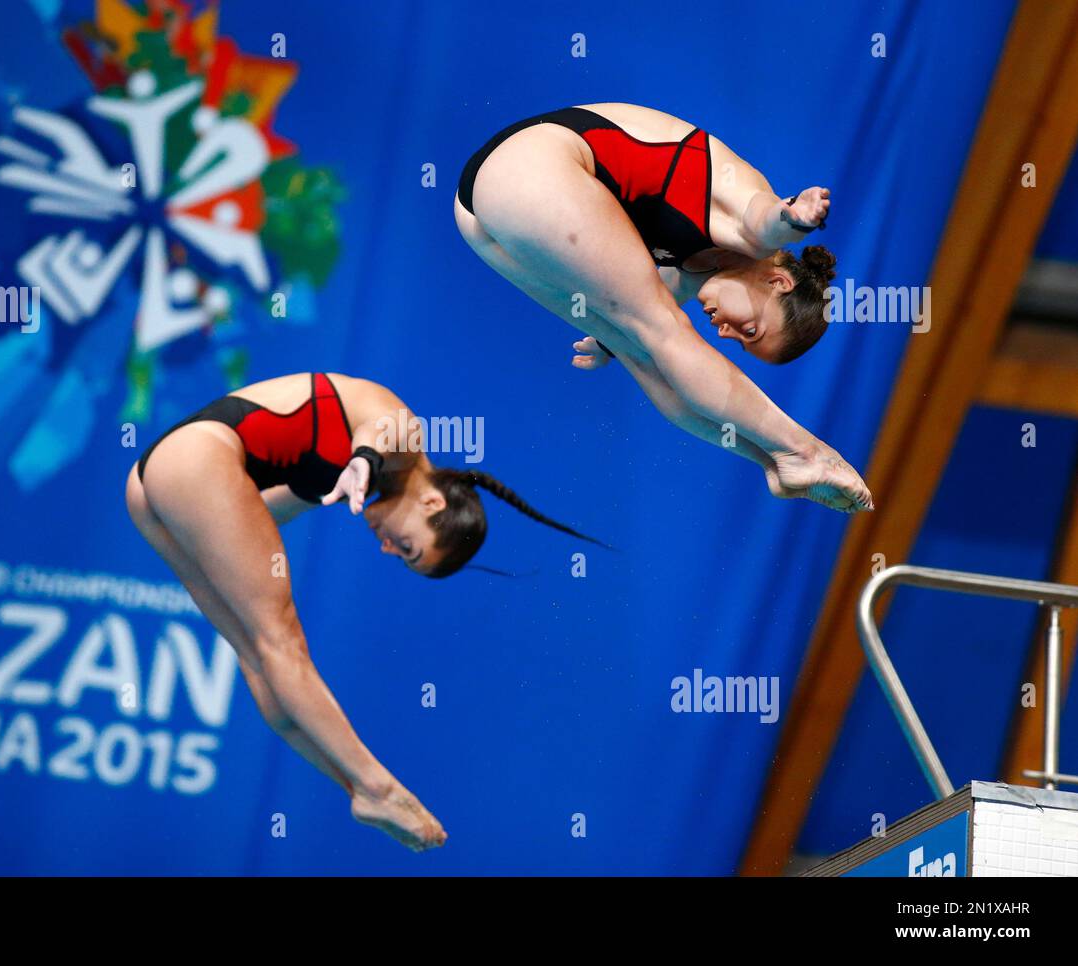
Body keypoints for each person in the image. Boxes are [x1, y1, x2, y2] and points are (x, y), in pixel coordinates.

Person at [125, 371, 599, 850]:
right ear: (433, 501)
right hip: (195, 458)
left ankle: (356, 786)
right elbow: (381, 430)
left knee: (259, 656)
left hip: (156, 484)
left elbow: (249, 514)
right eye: (409, 547)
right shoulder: (407, 437)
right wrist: (364, 459)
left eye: (403, 557)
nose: (388, 549)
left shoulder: (338, 475)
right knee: (279, 638)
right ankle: (378, 786)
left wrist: (354, 467)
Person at [456, 103, 874, 512]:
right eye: (750, 331)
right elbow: (762, 218)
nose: (725, 334)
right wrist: (793, 218)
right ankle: (805, 451)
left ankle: (774, 462)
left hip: (478, 213)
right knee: (664, 332)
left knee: (642, 354)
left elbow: (640, 300)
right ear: (778, 282)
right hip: (530, 165)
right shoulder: (754, 233)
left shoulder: (698, 270)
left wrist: (608, 340)